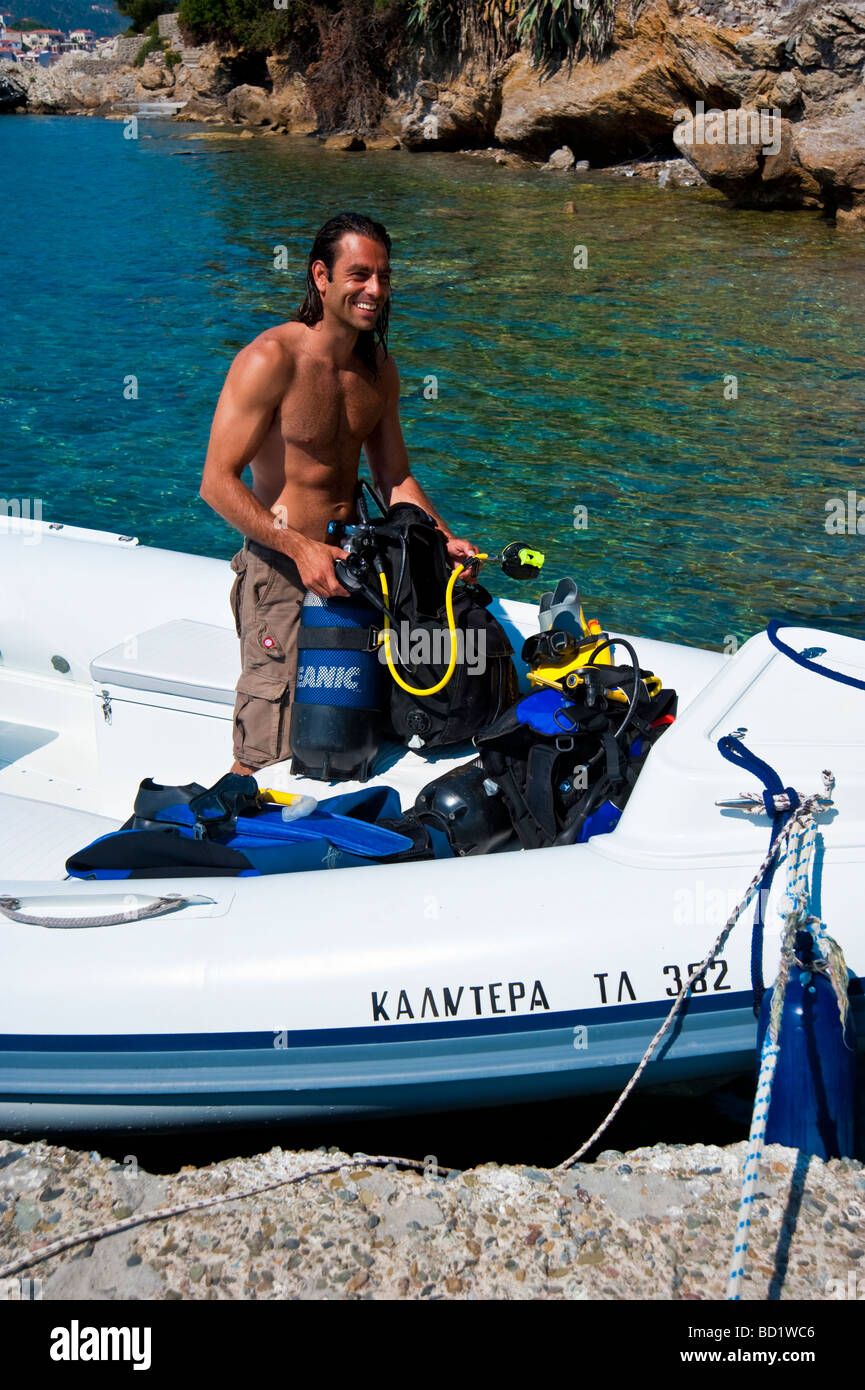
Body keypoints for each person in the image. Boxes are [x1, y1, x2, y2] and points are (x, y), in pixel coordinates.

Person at [200, 211, 478, 775]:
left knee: (351, 736)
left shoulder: (377, 368)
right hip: (281, 574)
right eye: (359, 275)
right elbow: (216, 483)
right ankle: (231, 843)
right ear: (321, 277)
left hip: (357, 569)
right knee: (270, 749)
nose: (374, 289)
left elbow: (393, 477)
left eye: (383, 276)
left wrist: (445, 540)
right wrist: (299, 549)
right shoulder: (269, 360)